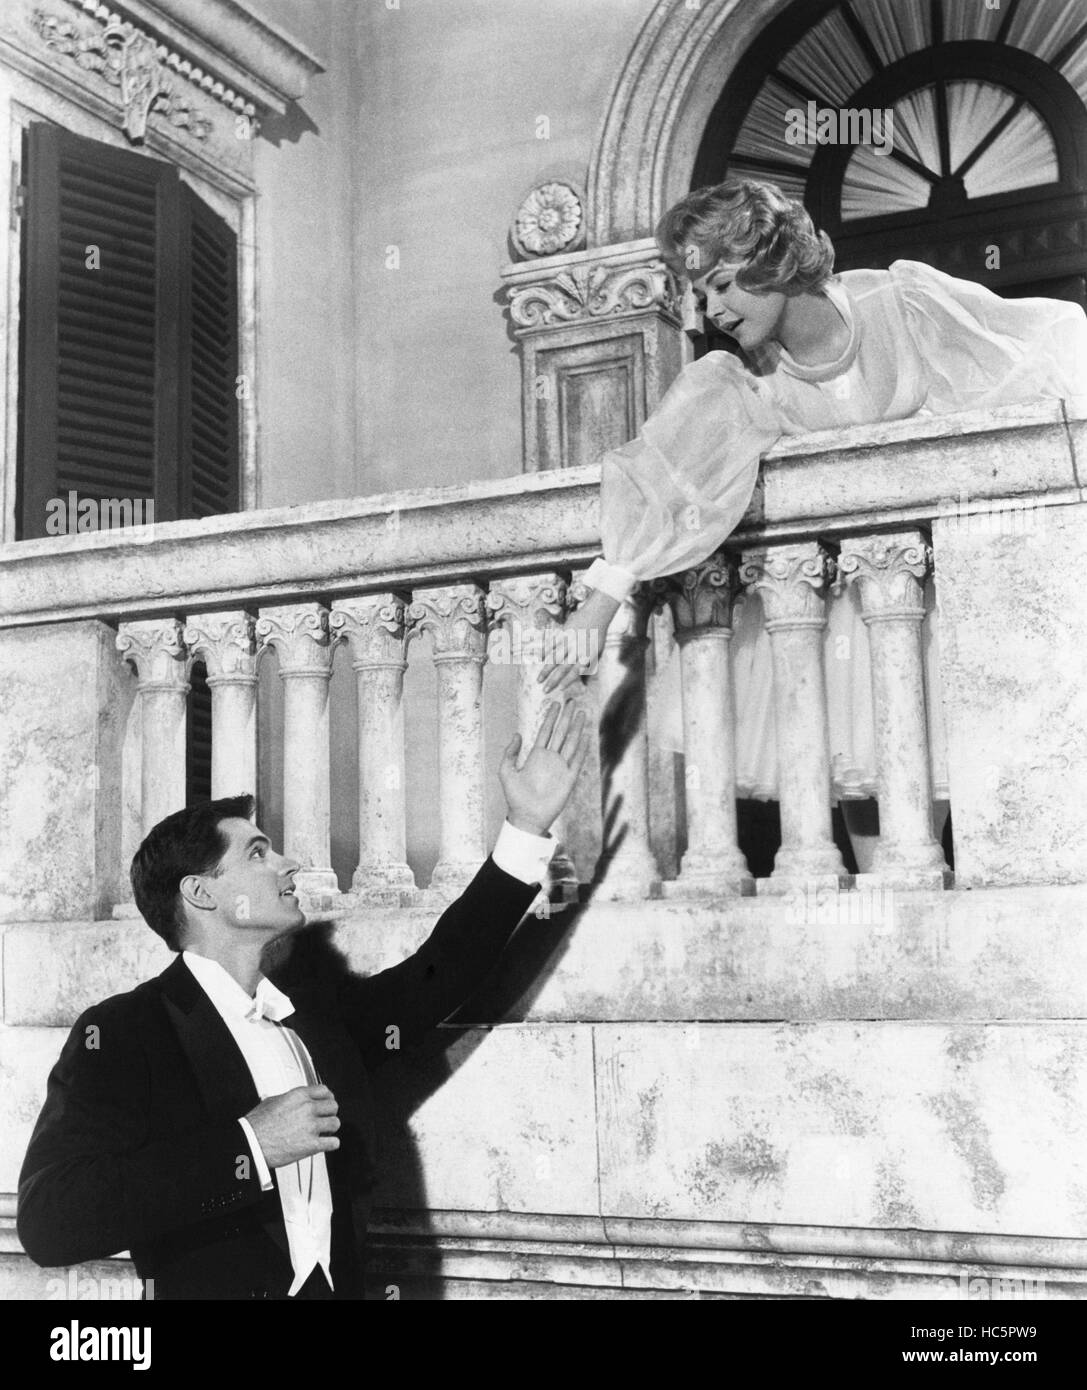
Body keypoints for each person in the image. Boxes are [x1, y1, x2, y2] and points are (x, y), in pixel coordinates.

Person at [540, 179, 1087, 864]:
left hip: (947, 602)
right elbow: (659, 477)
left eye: (722, 284)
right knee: (875, 822)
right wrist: (594, 611)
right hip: (844, 618)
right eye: (700, 294)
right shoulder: (741, 381)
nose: (712, 310)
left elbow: (1043, 354)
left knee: (1001, 814)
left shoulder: (901, 305)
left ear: (770, 260)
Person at [17, 702, 589, 1300]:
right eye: (258, 853)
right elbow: (50, 1222)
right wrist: (250, 1147)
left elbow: (437, 977)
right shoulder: (126, 1031)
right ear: (200, 893)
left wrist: (523, 828)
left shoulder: (316, 1018)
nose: (290, 864)